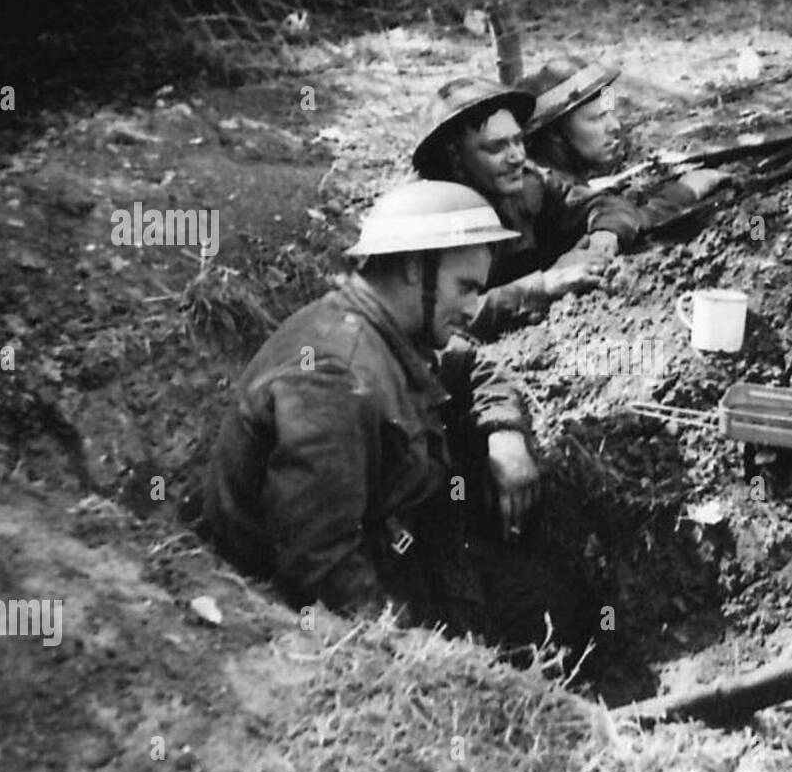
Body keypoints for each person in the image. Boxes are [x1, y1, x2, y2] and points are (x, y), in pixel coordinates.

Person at [202, 180, 591, 649]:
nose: (473, 309)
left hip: (402, 549)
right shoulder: (334, 379)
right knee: (539, 625)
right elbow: (320, 566)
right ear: (412, 268)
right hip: (320, 615)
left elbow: (472, 366)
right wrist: (421, 651)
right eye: (465, 289)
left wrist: (503, 432)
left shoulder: (382, 328)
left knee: (559, 608)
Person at [412, 77, 643, 339]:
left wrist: (604, 237)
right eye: (496, 147)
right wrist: (542, 285)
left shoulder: (527, 183)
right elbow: (434, 322)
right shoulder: (429, 221)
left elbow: (603, 204)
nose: (517, 157)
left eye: (517, 141)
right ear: (454, 157)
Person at [517, 55, 728, 244]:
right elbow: (628, 220)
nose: (615, 126)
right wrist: (686, 190)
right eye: (597, 118)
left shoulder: (544, 170)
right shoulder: (543, 185)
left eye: (611, 113)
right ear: (555, 134)